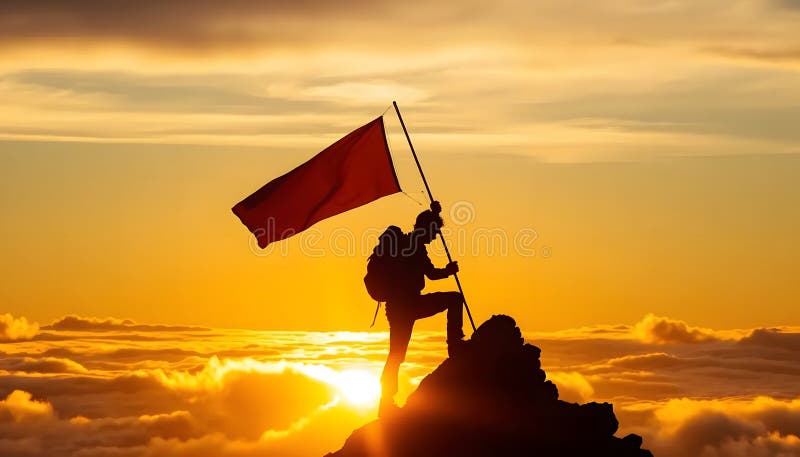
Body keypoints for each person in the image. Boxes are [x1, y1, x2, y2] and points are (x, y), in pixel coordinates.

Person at [379, 200, 464, 417]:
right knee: (396, 355)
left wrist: (447, 271)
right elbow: (421, 239)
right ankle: (455, 345)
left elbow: (431, 274)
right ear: (427, 229)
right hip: (403, 306)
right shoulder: (413, 242)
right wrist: (432, 214)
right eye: (434, 232)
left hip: (407, 306)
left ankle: (385, 401)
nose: (435, 237)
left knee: (396, 355)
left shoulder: (416, 246)